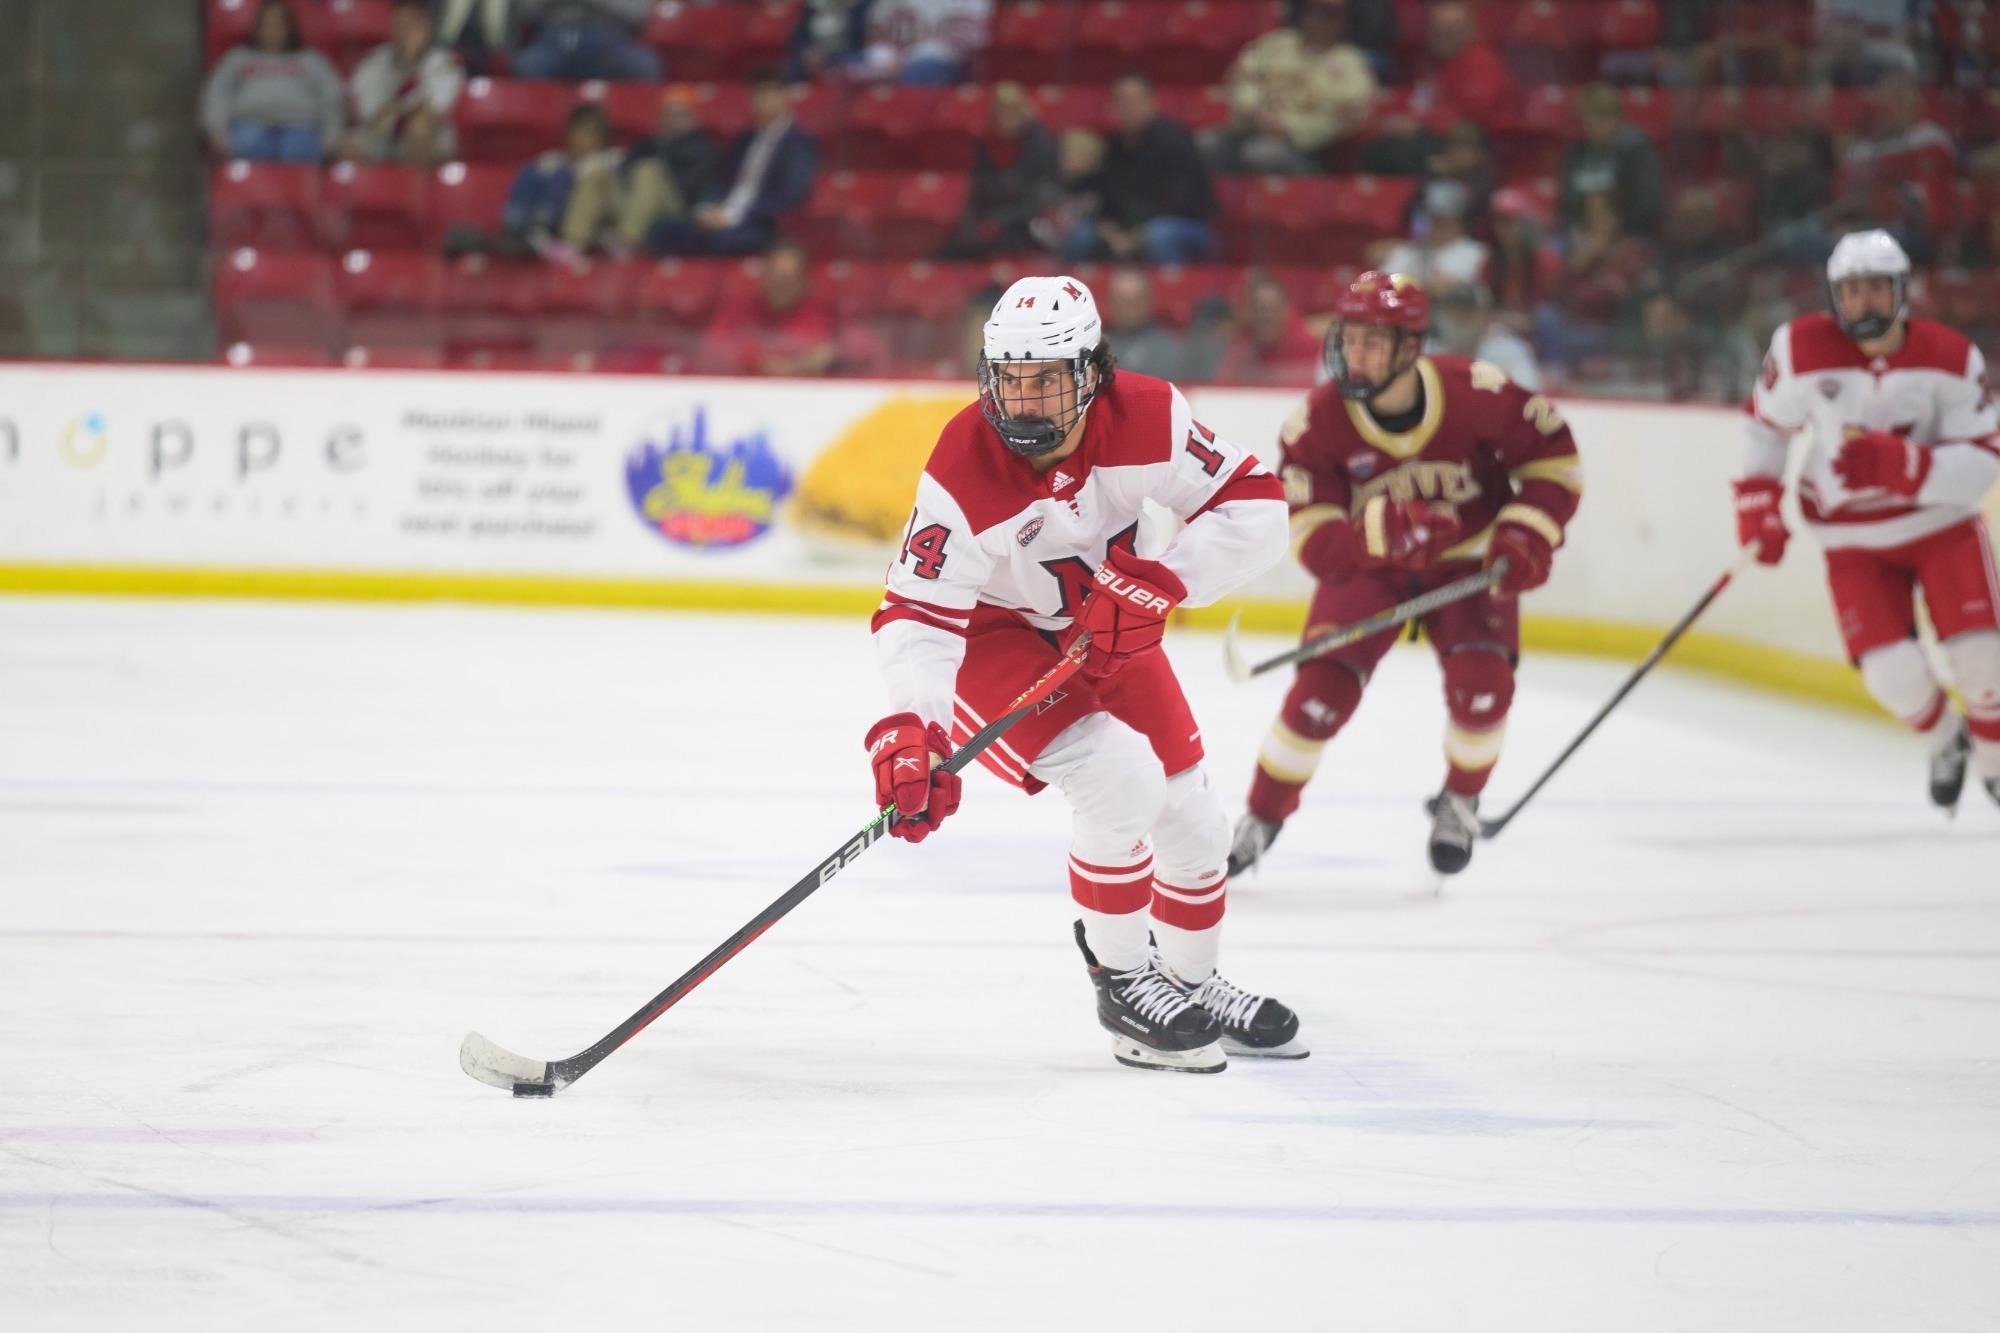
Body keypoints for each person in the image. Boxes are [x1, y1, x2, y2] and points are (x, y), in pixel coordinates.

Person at [866, 274, 1306, 1073]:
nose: (1025, 401)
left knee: (1197, 824)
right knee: (1119, 780)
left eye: (1048, 380)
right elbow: (917, 614)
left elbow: (1258, 505)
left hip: (1107, 624)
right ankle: (1125, 981)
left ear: (1094, 371)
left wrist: (1166, 579)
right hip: (996, 641)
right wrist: (912, 729)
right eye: (1010, 378)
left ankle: (1192, 982)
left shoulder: (1151, 415)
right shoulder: (962, 466)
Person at [1229, 272, 1583, 877]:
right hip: (1375, 571)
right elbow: (1311, 540)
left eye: (1372, 341)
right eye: (1348, 337)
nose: (1353, 354)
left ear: (1410, 347)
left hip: (1468, 564)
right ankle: (1261, 815)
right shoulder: (1316, 423)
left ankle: (1461, 800)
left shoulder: (1478, 392)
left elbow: (1554, 462)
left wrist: (1525, 531)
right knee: (1317, 699)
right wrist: (1379, 535)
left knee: (1483, 689)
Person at [1735, 229, 2000, 812]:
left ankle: (1995, 760)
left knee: (1985, 663)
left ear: (1902, 291)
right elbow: (1765, 428)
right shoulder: (1799, 347)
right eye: (1851, 291)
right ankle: (1945, 742)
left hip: (1942, 526)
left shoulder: (1951, 357)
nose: (1864, 303)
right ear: (1834, 296)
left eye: (1877, 289)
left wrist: (1902, 465)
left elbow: (1984, 461)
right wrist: (1758, 505)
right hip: (1851, 538)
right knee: (1891, 676)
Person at [648, 68, 818, 258]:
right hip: (721, 214)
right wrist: (705, 208)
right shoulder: (744, 138)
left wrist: (735, 214)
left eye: (771, 93)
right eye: (758, 94)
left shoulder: (798, 142)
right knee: (661, 230)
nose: (764, 100)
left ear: (785, 96)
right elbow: (722, 181)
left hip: (758, 222)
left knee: (719, 240)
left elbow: (791, 195)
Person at [1063, 75, 1216, 265]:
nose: (1126, 108)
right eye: (1120, 101)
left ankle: (1172, 290)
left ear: (1151, 103)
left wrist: (1135, 234)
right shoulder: (1114, 147)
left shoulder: (1174, 140)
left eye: (1133, 101)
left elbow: (1182, 202)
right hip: (1127, 229)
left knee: (1159, 236)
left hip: (1183, 225)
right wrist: (1108, 228)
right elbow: (1107, 199)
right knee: (1082, 234)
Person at [201, 0, 345, 163]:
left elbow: (331, 97)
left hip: (301, 127)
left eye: (279, 24)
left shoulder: (311, 60)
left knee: (297, 150)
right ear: (257, 28)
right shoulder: (238, 58)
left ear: (290, 28)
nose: (273, 30)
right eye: (268, 24)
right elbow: (218, 93)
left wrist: (332, 136)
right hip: (249, 125)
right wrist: (217, 131)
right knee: (248, 144)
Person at [343, 0, 464, 167]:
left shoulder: (443, 64)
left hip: (428, 140)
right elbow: (373, 116)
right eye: (400, 23)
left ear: (426, 26)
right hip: (380, 138)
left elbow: (433, 112)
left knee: (420, 130)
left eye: (412, 23)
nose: (406, 30)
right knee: (345, 148)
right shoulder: (374, 63)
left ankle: (416, 192)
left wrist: (410, 64)